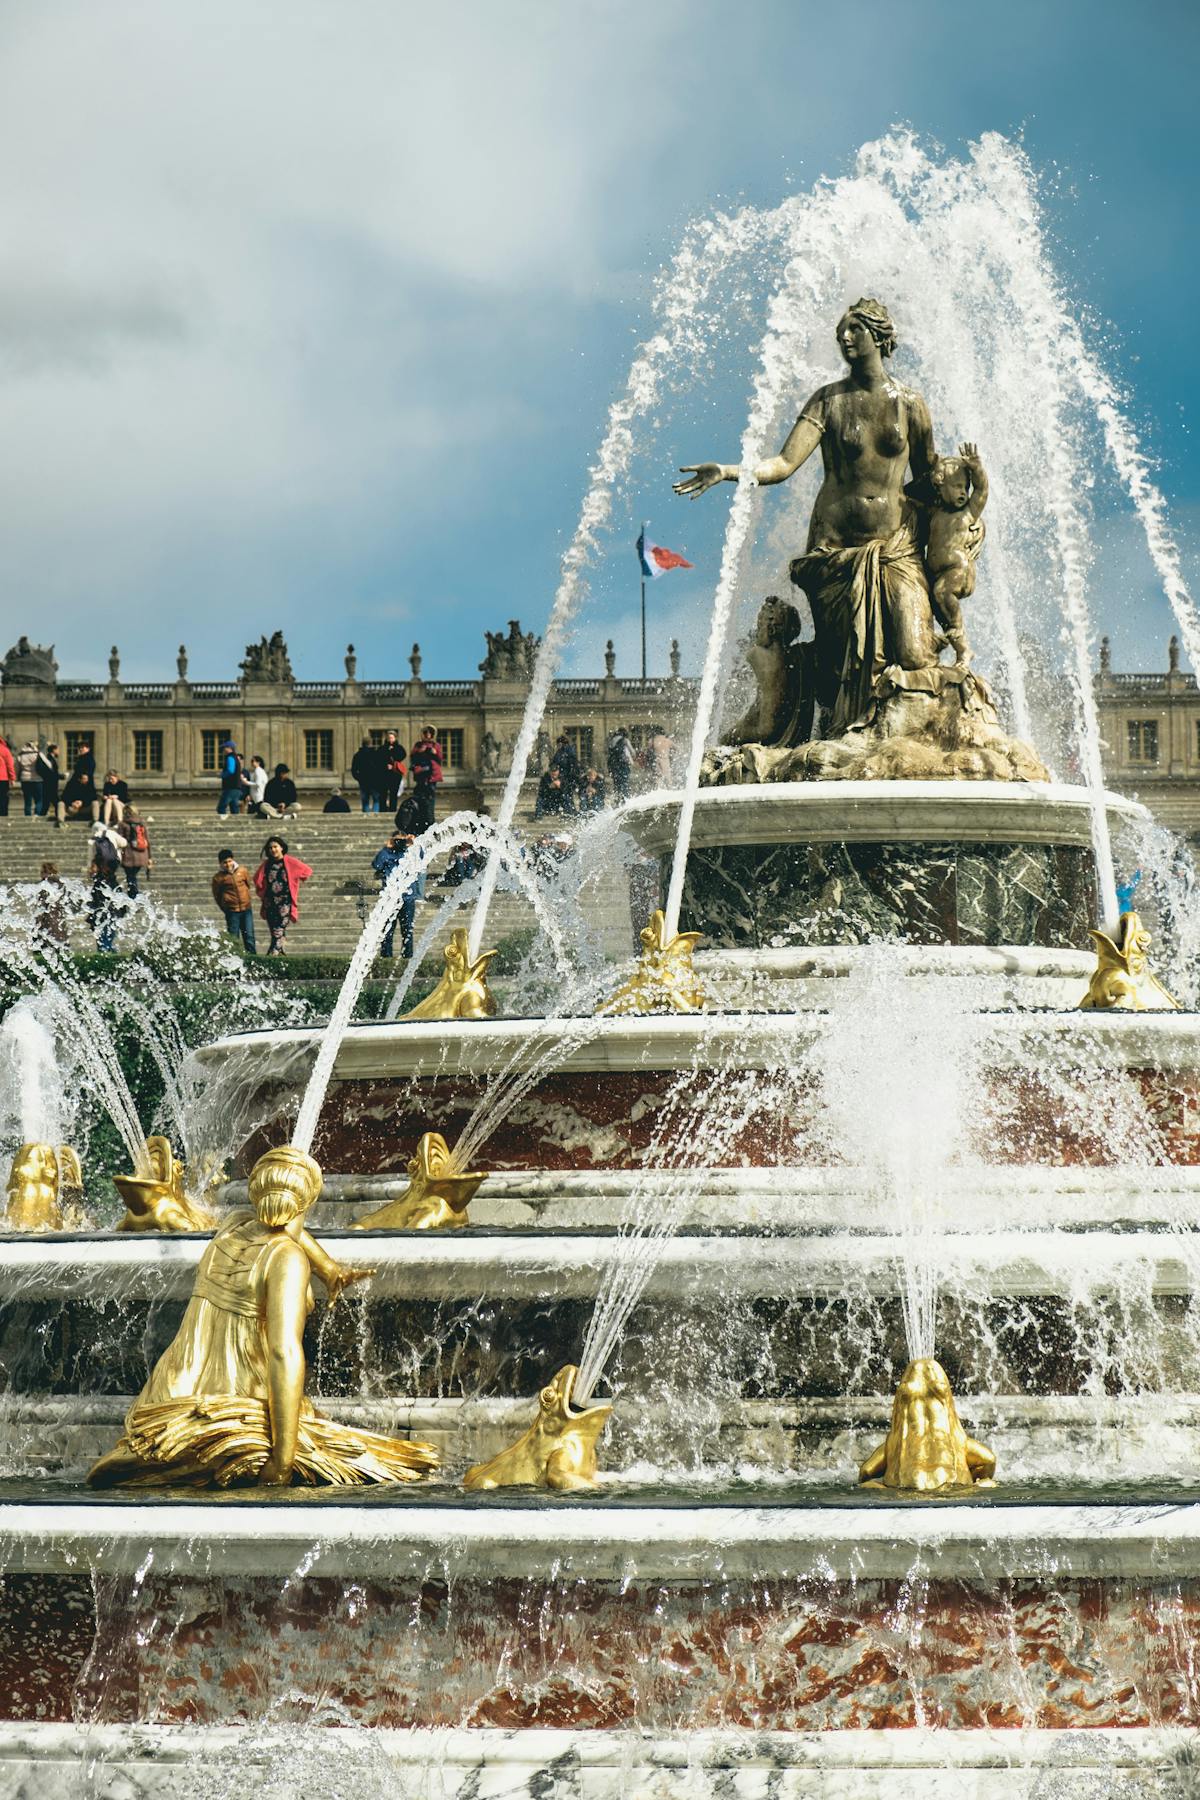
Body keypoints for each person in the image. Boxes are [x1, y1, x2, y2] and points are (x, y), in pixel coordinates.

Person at [87, 1143, 439, 1489]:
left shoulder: (233, 1226)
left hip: (171, 1392)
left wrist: (329, 1270)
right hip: (232, 1402)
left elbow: (289, 1230)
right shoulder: (286, 1259)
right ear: (309, 1201)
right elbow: (282, 1353)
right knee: (361, 1458)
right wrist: (282, 1461)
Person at [675, 296, 946, 735]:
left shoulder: (911, 405)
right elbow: (782, 465)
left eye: (855, 329)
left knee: (916, 653)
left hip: (895, 548)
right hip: (834, 551)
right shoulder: (827, 401)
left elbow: (929, 477)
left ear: (879, 336)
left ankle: (909, 734)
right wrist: (728, 471)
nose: (844, 337)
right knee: (843, 665)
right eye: (841, 330)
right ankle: (846, 739)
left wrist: (967, 502)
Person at [254, 835, 311, 955]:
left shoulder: (289, 861)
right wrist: (262, 890)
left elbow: (306, 871)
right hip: (270, 902)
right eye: (270, 848)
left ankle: (272, 954)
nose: (273, 850)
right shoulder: (266, 864)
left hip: (285, 902)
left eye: (275, 847)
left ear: (281, 848)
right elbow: (257, 879)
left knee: (279, 929)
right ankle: (280, 954)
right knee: (274, 930)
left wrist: (296, 880)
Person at [371, 828, 421, 959]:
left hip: (407, 898)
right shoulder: (387, 853)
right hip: (390, 898)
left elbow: (423, 859)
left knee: (407, 930)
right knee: (387, 929)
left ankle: (407, 957)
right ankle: (386, 957)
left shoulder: (410, 853)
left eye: (401, 840)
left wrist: (413, 844)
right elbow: (376, 865)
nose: (399, 843)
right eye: (397, 840)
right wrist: (386, 848)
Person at [87, 822, 125, 951]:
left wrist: (90, 872)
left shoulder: (93, 841)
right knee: (113, 914)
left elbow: (90, 861)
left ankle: (103, 946)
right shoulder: (111, 834)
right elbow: (124, 843)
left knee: (99, 915)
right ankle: (108, 944)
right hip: (111, 878)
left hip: (99, 882)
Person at [212, 847, 257, 954]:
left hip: (246, 909)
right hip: (232, 911)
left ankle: (253, 959)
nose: (228, 864)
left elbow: (248, 885)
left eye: (229, 861)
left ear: (233, 860)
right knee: (234, 938)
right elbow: (217, 895)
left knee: (249, 936)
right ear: (220, 864)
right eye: (225, 862)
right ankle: (235, 959)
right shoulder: (218, 878)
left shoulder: (242, 871)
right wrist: (226, 906)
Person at [409, 726, 442, 830]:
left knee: (430, 798)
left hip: (432, 775)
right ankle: (421, 819)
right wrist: (420, 751)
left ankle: (430, 820)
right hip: (421, 775)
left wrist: (434, 753)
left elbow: (440, 759)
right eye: (426, 733)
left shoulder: (436, 745)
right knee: (420, 797)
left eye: (429, 733)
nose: (427, 735)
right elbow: (412, 758)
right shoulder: (418, 745)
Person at [119, 807, 152, 899]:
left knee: (130, 876)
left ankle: (134, 896)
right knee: (132, 876)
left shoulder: (123, 824)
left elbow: (120, 841)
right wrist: (150, 857)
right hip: (142, 855)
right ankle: (134, 896)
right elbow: (147, 840)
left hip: (129, 855)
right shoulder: (141, 823)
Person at [606, 727, 635, 804]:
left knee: (617, 783)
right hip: (623, 764)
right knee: (624, 782)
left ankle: (618, 800)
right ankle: (625, 800)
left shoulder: (611, 740)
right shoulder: (625, 740)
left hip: (614, 765)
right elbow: (632, 752)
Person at [381, 731, 407, 812]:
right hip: (384, 774)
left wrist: (392, 751)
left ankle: (393, 809)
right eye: (389, 738)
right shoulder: (383, 748)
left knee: (393, 792)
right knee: (383, 793)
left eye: (392, 738)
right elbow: (379, 759)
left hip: (395, 774)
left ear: (395, 738)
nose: (390, 740)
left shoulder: (399, 748)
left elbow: (402, 756)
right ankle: (383, 809)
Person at [216, 740, 243, 816]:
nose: (223, 750)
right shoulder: (236, 758)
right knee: (234, 809)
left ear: (229, 748)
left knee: (221, 808)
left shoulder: (230, 757)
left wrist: (221, 775)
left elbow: (231, 770)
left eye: (224, 748)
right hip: (237, 787)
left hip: (230, 787)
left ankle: (222, 824)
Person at [351, 737, 378, 812]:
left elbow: (354, 770)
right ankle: (375, 816)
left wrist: (358, 778)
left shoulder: (358, 755)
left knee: (365, 801)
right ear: (371, 743)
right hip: (375, 781)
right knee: (376, 800)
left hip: (363, 781)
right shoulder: (376, 754)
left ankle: (366, 816)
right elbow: (380, 768)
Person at [38, 743, 62, 825]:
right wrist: (61, 776)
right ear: (54, 750)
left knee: (47, 803)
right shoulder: (49, 759)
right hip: (50, 784)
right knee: (57, 802)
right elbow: (51, 773)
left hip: (50, 784)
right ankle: (59, 817)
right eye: (58, 749)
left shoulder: (51, 758)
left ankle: (42, 818)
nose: (59, 751)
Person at [16, 742, 42, 816]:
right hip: (37, 778)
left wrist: (16, 777)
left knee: (27, 800)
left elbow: (17, 768)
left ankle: (27, 815)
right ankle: (37, 814)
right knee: (39, 799)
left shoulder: (21, 755)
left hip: (24, 779)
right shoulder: (37, 754)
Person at [0, 735, 15, 816]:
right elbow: (10, 765)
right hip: (3, 778)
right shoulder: (5, 750)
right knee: (3, 797)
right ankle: (3, 814)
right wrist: (12, 778)